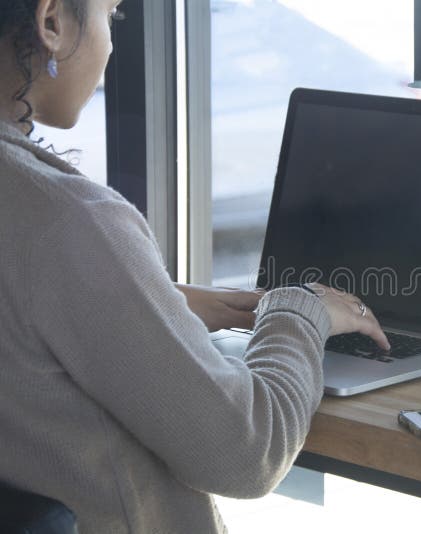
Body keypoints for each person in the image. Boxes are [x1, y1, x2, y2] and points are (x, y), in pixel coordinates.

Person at [0, 0, 390, 532]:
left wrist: (155, 297)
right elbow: (247, 453)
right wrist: (301, 313)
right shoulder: (71, 222)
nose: (112, 43)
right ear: (50, 22)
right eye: (110, 15)